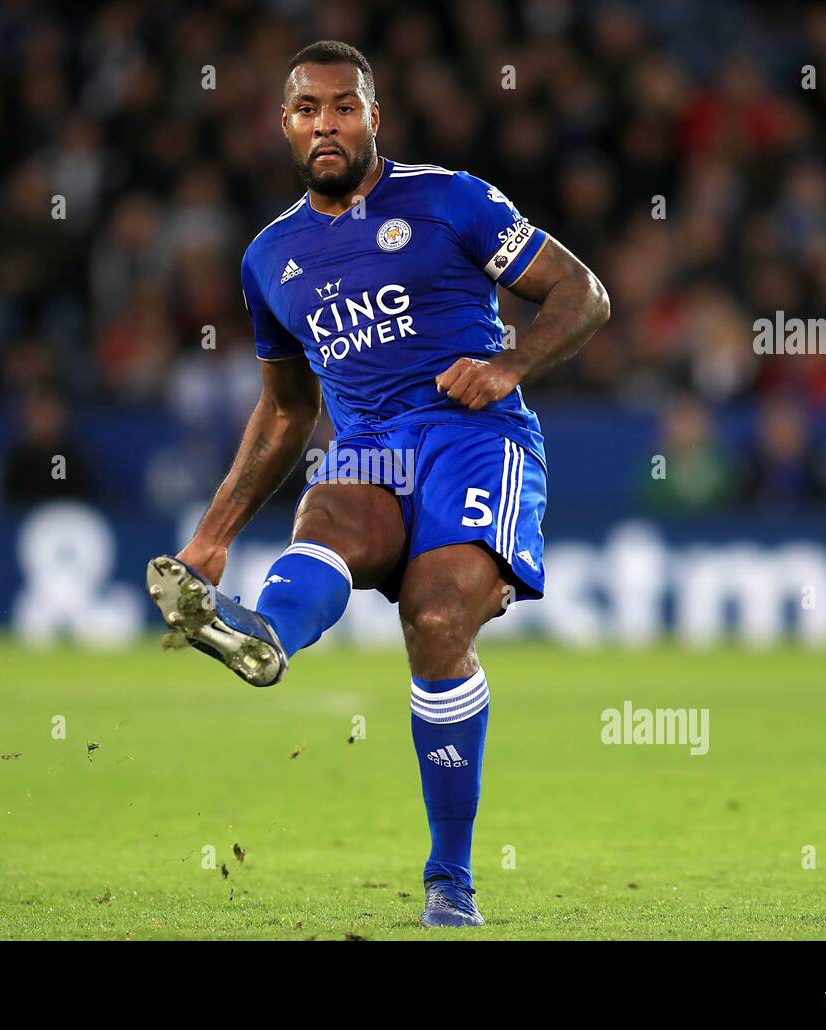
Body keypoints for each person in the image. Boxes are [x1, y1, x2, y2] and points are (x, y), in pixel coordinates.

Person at [147, 40, 609, 928]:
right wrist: (212, 536)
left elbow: (582, 294)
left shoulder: (448, 199)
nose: (326, 123)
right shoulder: (270, 259)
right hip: (370, 447)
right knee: (327, 504)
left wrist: (511, 363)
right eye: (307, 109)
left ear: (372, 117)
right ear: (284, 126)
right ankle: (264, 636)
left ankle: (449, 876)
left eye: (343, 106)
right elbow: (285, 411)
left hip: (475, 439)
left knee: (434, 621)